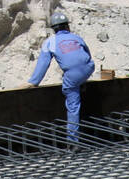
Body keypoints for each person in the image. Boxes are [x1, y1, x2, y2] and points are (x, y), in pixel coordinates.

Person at [27, 10, 96, 143]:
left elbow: (43, 64)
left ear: (53, 29)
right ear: (67, 26)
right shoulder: (76, 37)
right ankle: (81, 84)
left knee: (73, 105)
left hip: (73, 75)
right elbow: (86, 53)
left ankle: (73, 141)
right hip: (89, 67)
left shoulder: (50, 42)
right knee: (75, 78)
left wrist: (34, 82)